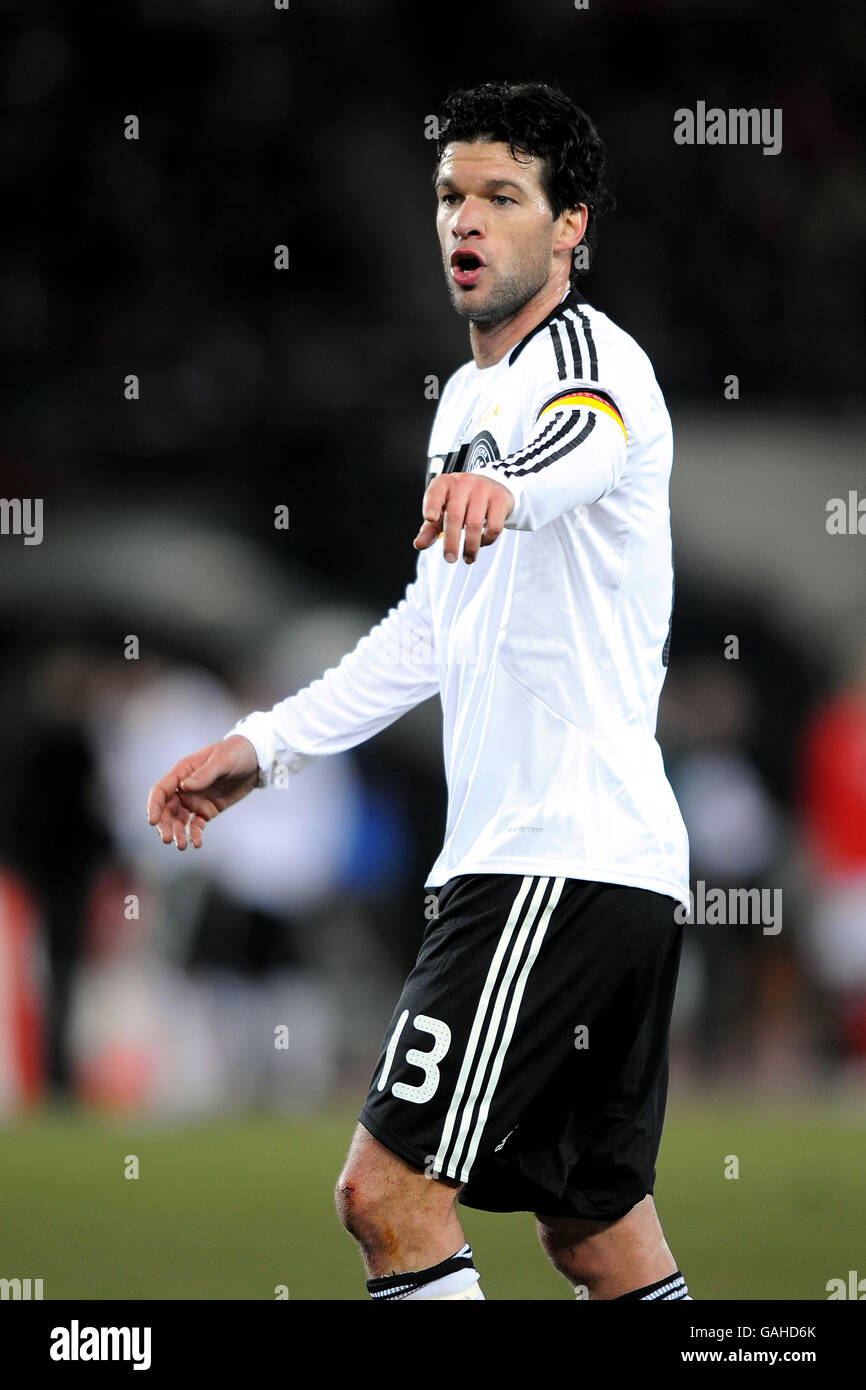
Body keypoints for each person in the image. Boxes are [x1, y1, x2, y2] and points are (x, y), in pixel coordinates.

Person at [147, 80, 692, 1302]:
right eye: (452, 194)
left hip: (549, 861)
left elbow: (581, 435)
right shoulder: (461, 400)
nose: (467, 219)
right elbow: (425, 635)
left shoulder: (591, 360)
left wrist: (503, 472)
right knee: (595, 1232)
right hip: (590, 863)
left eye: (503, 196)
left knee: (384, 1193)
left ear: (568, 228)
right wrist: (265, 744)